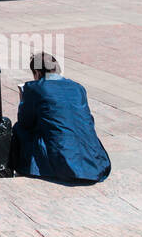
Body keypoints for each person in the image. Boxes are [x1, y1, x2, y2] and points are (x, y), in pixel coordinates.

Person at [10, 52, 111, 184]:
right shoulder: (78, 87)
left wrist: (23, 99)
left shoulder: (34, 88)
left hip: (64, 163)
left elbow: (25, 122)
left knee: (19, 129)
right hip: (95, 162)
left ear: (36, 72)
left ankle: (21, 167)